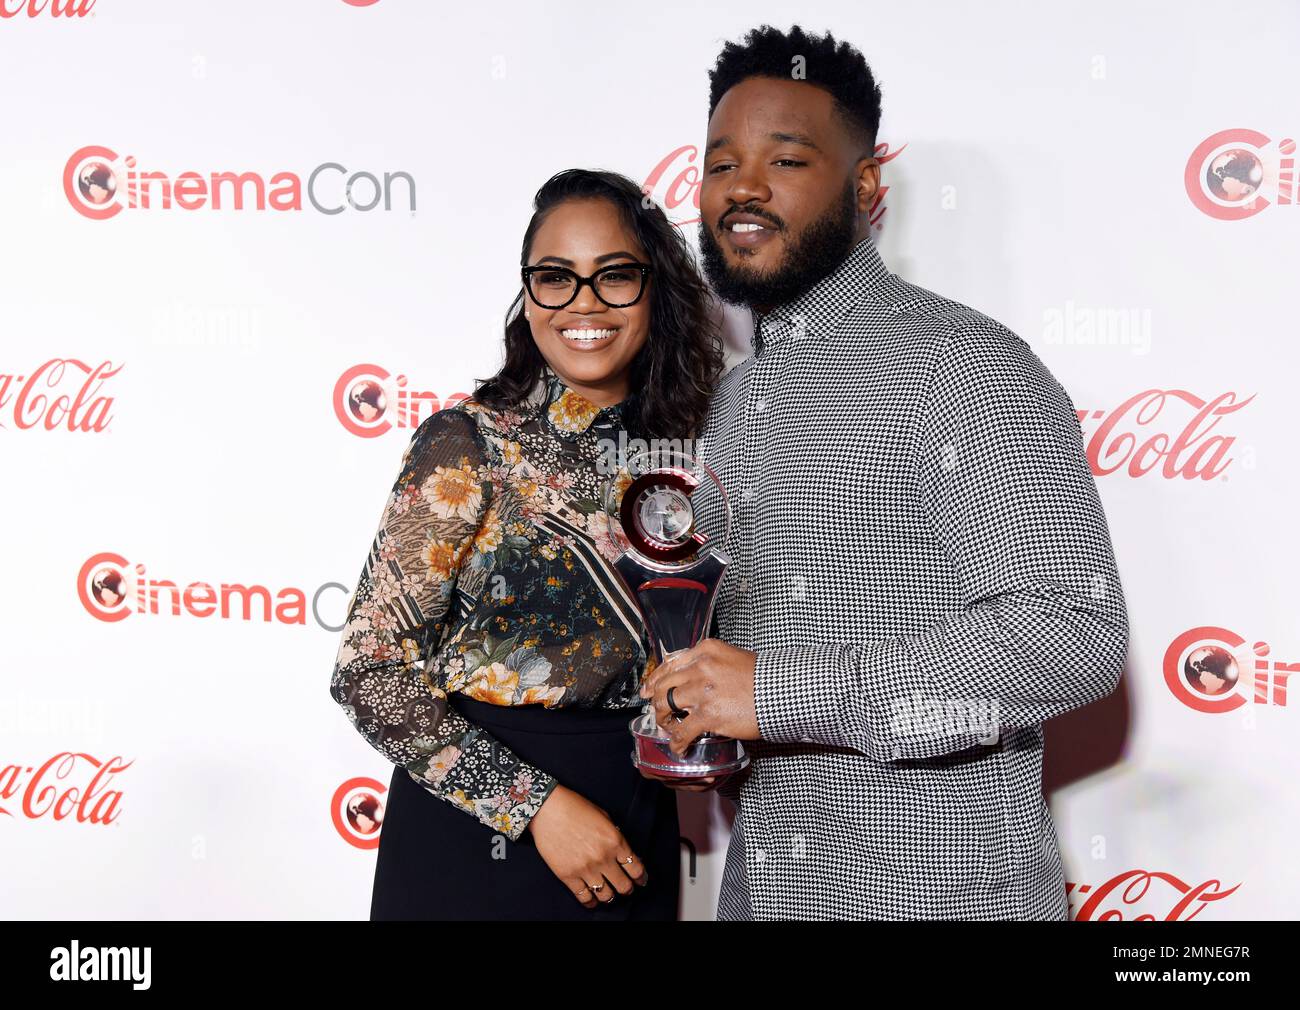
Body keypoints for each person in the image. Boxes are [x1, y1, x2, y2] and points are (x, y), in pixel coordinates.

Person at [639, 24, 1130, 920]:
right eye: (720, 164)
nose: (742, 188)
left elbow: (1074, 633)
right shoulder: (739, 399)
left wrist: (778, 692)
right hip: (767, 889)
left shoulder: (964, 366)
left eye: (785, 161)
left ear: (866, 186)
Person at [329, 167, 724, 920]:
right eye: (555, 277)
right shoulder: (469, 443)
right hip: (481, 830)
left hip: (637, 818)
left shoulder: (697, 456)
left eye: (614, 276)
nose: (583, 304)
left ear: (655, 289)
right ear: (528, 292)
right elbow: (367, 671)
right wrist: (537, 808)